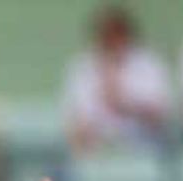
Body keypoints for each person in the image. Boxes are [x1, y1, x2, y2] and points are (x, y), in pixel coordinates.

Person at [64, 6, 172, 152]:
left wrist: (126, 104)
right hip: (97, 153)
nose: (112, 43)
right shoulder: (83, 67)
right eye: (106, 37)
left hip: (143, 148)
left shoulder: (149, 64)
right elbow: (76, 121)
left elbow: (161, 117)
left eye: (117, 35)